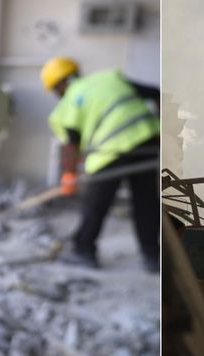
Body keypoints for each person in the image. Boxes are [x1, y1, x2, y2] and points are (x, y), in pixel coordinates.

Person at [41, 57, 160, 270]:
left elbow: (71, 145)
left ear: (60, 85)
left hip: (110, 152)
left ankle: (83, 251)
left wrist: (68, 176)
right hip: (148, 142)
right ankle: (151, 256)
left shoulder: (67, 105)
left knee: (96, 203)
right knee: (146, 202)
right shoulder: (110, 77)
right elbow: (157, 94)